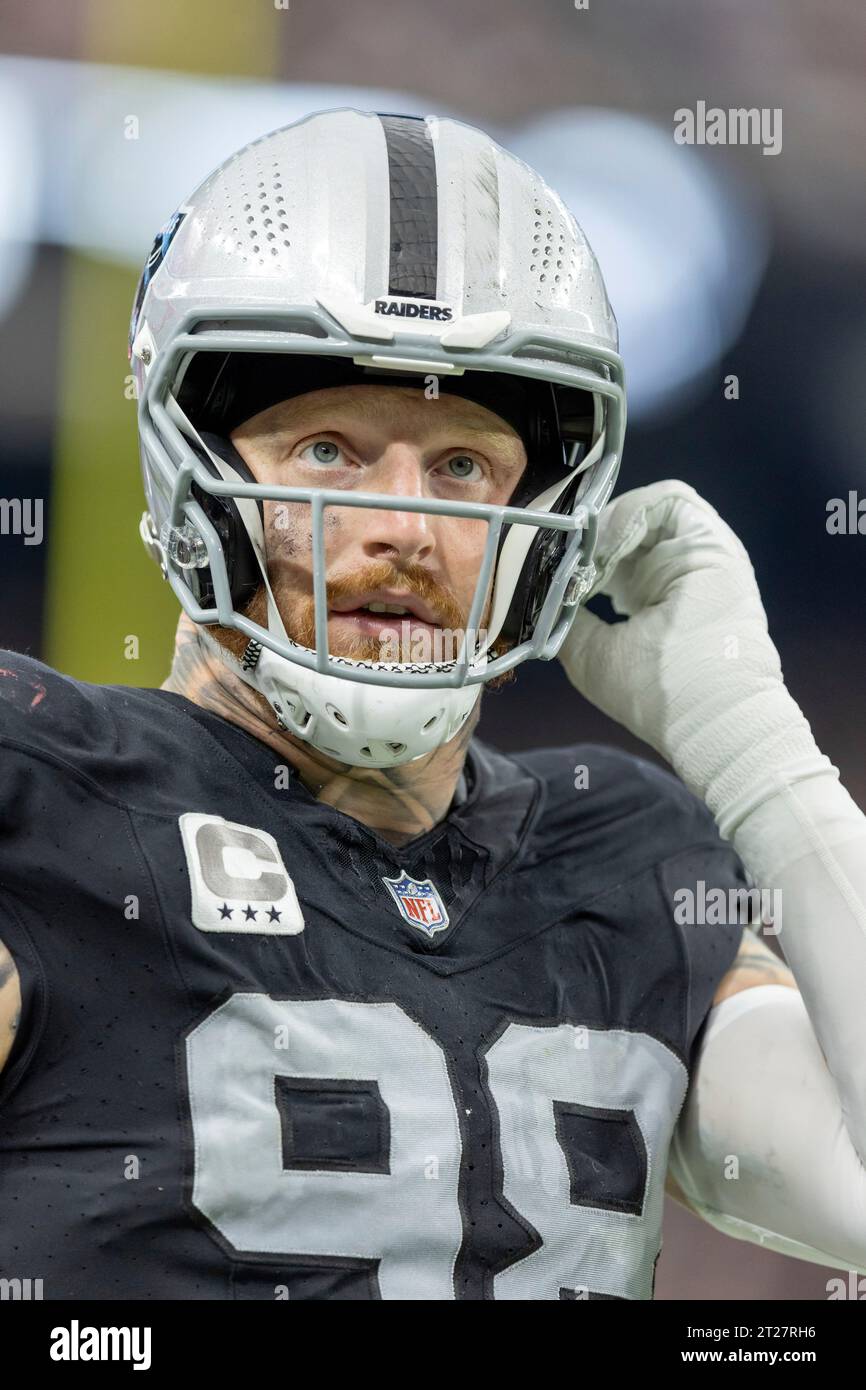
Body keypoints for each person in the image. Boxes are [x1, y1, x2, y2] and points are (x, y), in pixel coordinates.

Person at [0, 108, 863, 1300]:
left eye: (461, 465)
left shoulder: (620, 858)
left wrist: (752, 744)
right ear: (198, 475)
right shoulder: (43, 794)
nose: (406, 529)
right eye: (329, 452)